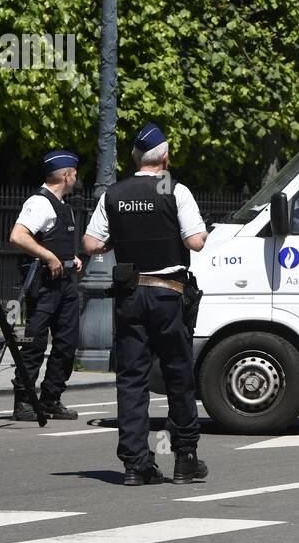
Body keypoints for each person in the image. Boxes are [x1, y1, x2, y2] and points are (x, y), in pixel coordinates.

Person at [82, 123, 209, 485]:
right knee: (178, 375)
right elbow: (196, 241)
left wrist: (116, 241)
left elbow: (91, 244)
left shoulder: (115, 193)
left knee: (132, 378)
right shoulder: (173, 189)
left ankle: (136, 464)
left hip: (130, 293)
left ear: (134, 157)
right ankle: (185, 457)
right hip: (169, 293)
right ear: (165, 157)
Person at [9, 151, 85, 420]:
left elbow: (53, 240)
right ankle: (24, 400)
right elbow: (18, 236)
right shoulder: (39, 203)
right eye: (74, 174)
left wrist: (70, 258)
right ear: (66, 175)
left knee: (66, 343)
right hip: (44, 286)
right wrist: (50, 257)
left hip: (64, 284)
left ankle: (51, 397)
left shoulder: (62, 204)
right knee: (35, 343)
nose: (76, 178)